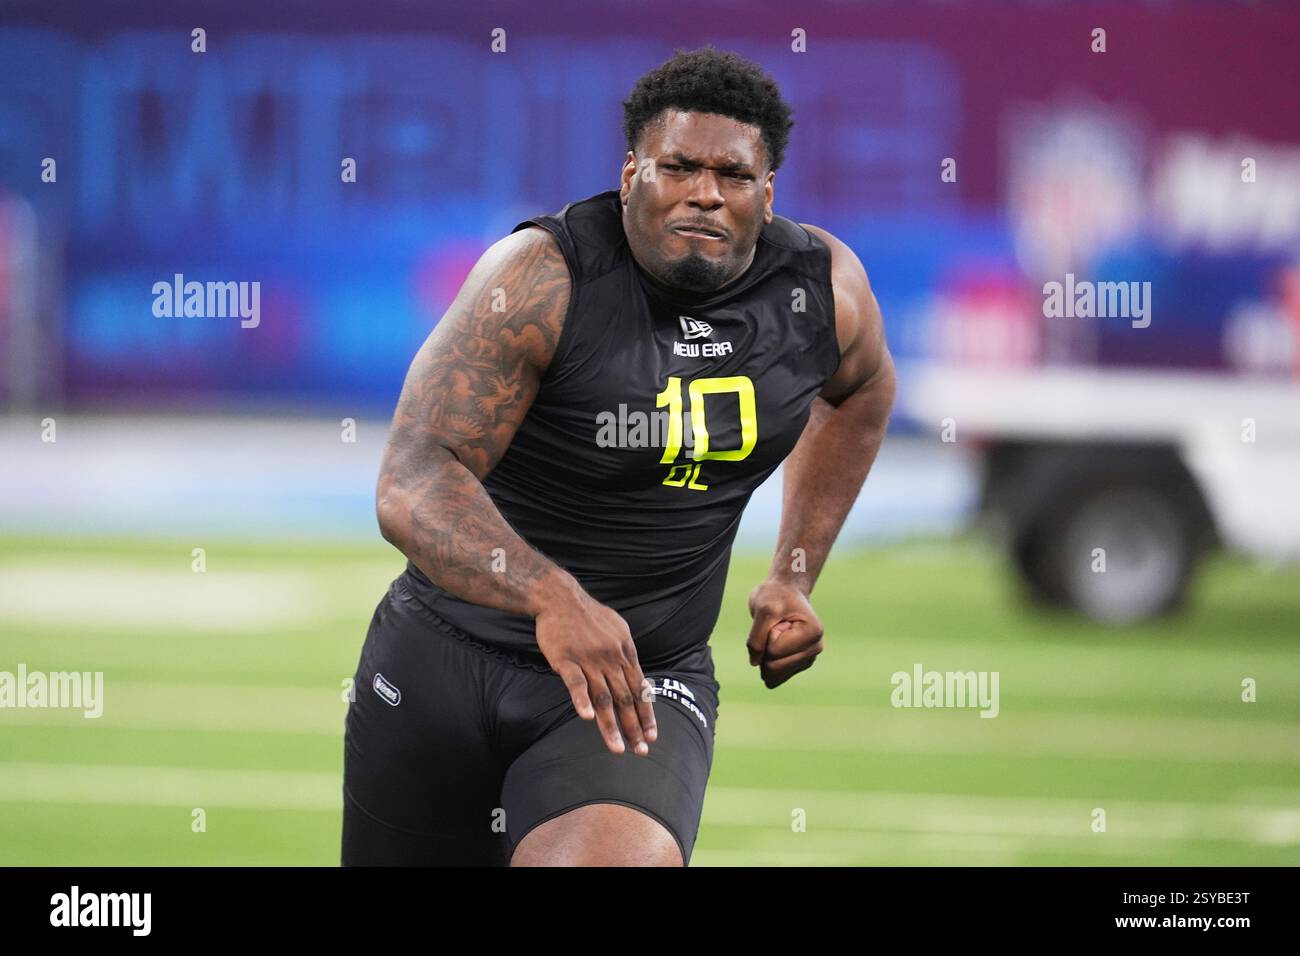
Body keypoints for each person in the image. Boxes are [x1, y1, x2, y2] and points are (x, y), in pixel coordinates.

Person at [341, 45, 895, 867]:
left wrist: (794, 572)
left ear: (768, 193)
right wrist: (551, 597)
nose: (705, 193)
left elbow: (862, 393)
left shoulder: (820, 292)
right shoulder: (541, 278)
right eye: (679, 167)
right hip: (441, 661)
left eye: (733, 176)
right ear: (632, 172)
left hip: (639, 680)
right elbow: (412, 483)